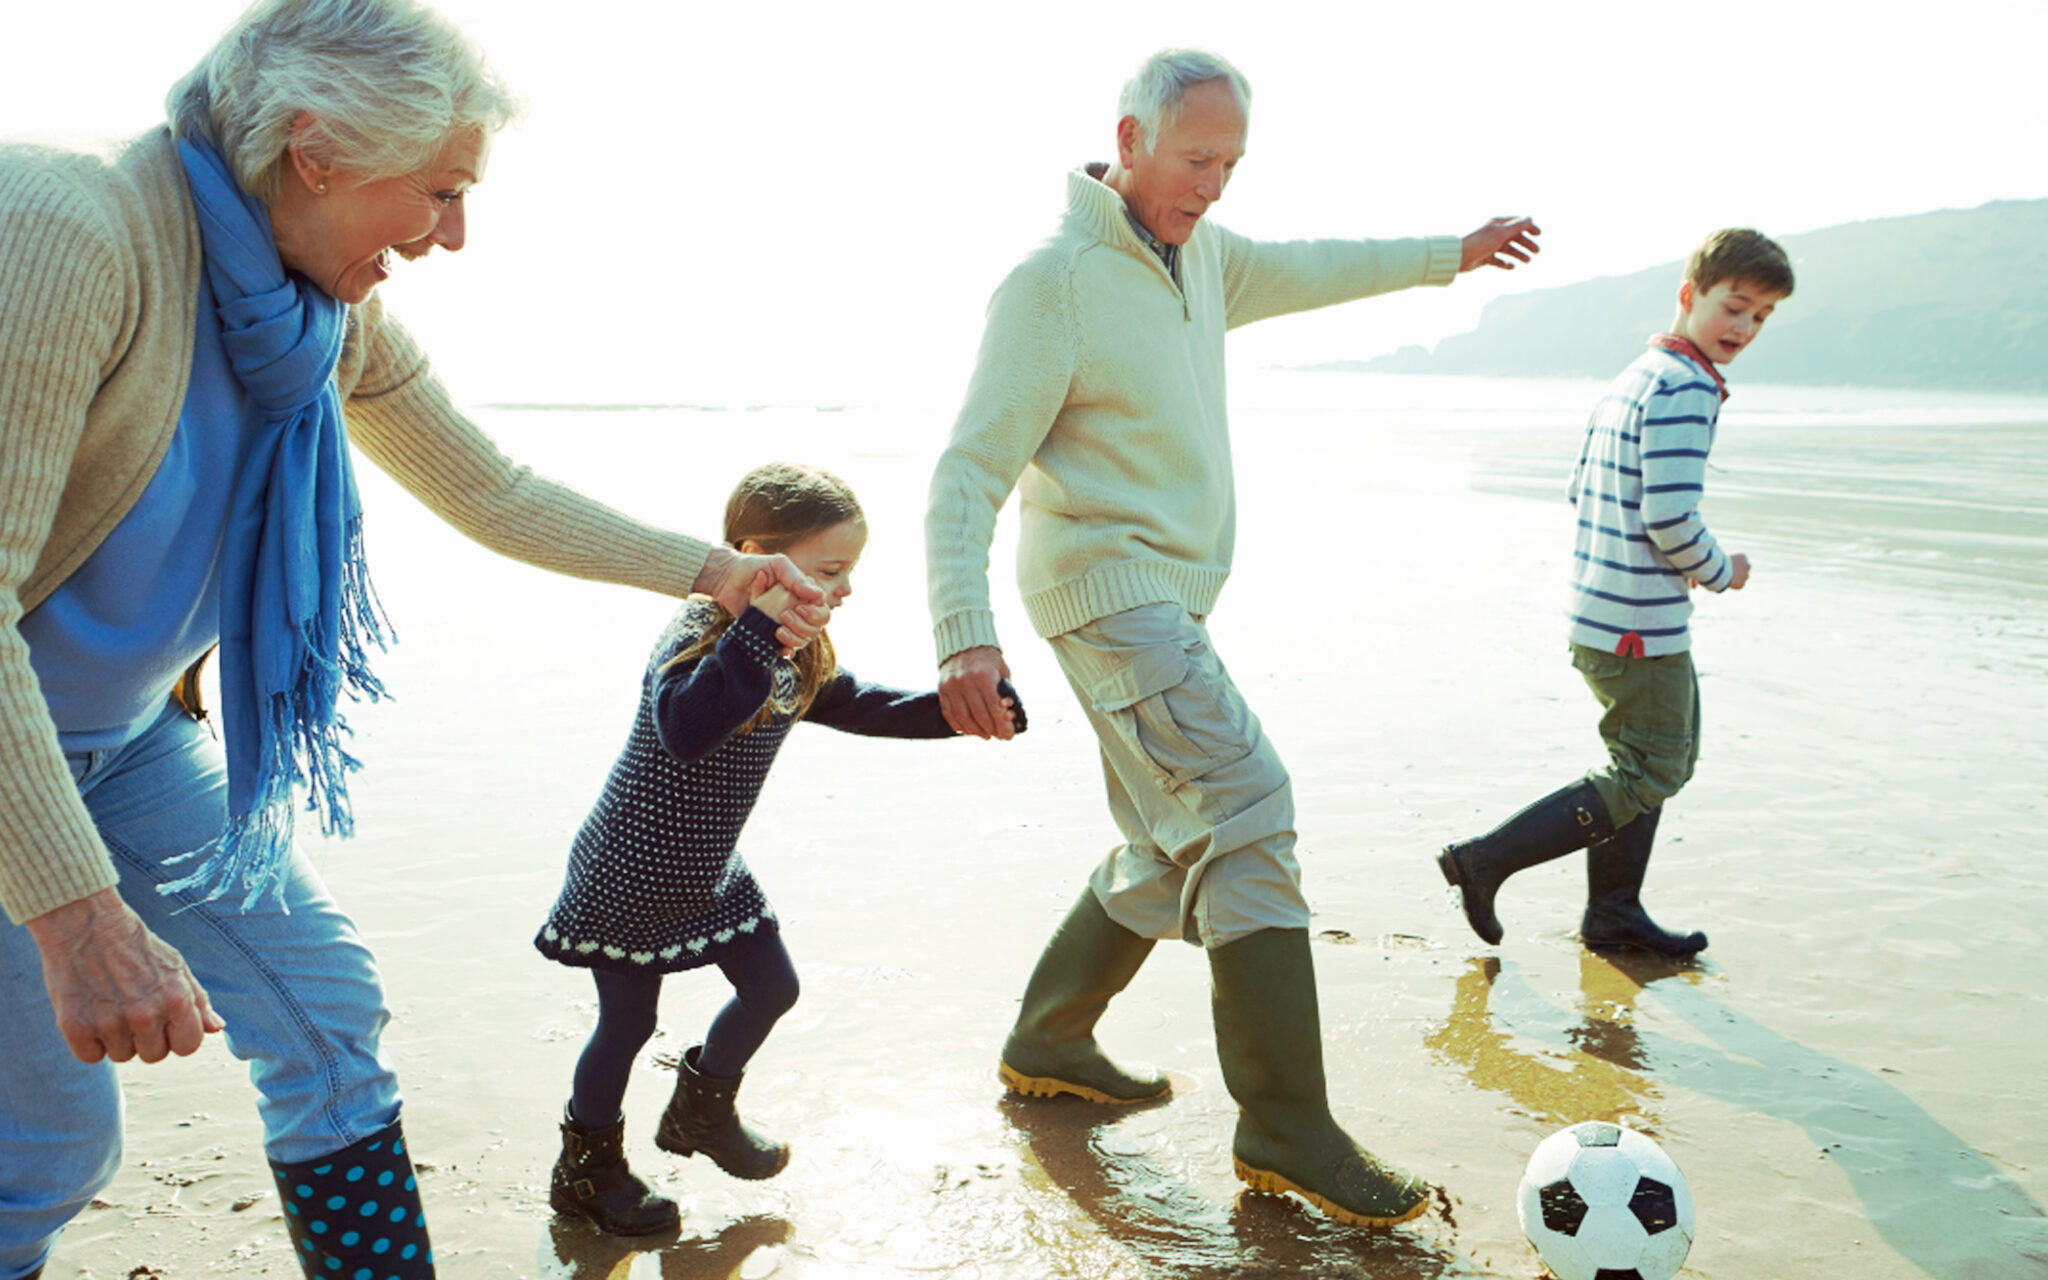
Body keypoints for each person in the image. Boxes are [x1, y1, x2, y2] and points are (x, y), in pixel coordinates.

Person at [0, 3, 826, 1278]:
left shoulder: (314, 307)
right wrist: (76, 917)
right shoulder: (73, 229)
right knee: (47, 1147)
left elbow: (490, 489)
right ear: (316, 151)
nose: (451, 235)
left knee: (325, 1011)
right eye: (438, 192)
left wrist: (719, 573)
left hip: (121, 739)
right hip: (15, 768)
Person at [923, 46, 1542, 1230]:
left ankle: (1048, 1036)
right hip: (1108, 594)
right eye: (1196, 157)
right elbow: (965, 471)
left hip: (1162, 599)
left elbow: (1315, 265)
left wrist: (1444, 258)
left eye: (1231, 163)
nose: (1212, 184)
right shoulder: (1052, 281)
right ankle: (1284, 1123)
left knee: (1172, 837)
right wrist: (964, 636)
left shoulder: (1203, 257)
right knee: (1245, 803)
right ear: (1129, 137)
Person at [536, 462, 1026, 1237]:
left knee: (772, 988)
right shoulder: (698, 629)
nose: (846, 589)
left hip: (708, 868)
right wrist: (757, 627)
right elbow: (689, 727)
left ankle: (703, 1113)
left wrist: (957, 712)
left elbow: (854, 702)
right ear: (757, 555)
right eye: (831, 570)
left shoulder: (798, 649)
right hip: (630, 867)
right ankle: (587, 1172)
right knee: (626, 1027)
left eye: (850, 572)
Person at [1437, 228, 1795, 958]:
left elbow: (1583, 488)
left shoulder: (1638, 374)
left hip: (1600, 608)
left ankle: (1614, 913)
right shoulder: (1687, 388)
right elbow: (1668, 516)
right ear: (1690, 296)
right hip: (1639, 623)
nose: (1744, 328)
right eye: (1734, 306)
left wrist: (1660, 555)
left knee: (1659, 757)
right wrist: (1720, 567)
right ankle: (1486, 861)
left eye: (1761, 316)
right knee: (1652, 767)